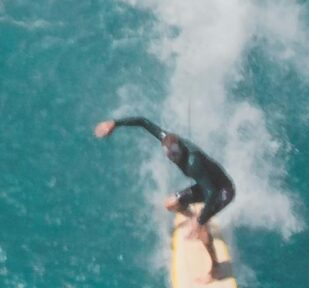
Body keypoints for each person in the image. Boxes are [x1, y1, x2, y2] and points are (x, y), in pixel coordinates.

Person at [96, 116, 236, 272]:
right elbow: (143, 122)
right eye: (169, 155)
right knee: (170, 204)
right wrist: (114, 123)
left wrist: (200, 220)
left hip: (222, 191)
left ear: (180, 147)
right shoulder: (167, 139)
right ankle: (195, 219)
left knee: (201, 227)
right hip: (207, 186)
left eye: (175, 154)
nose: (173, 159)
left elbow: (212, 193)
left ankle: (215, 266)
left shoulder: (193, 163)